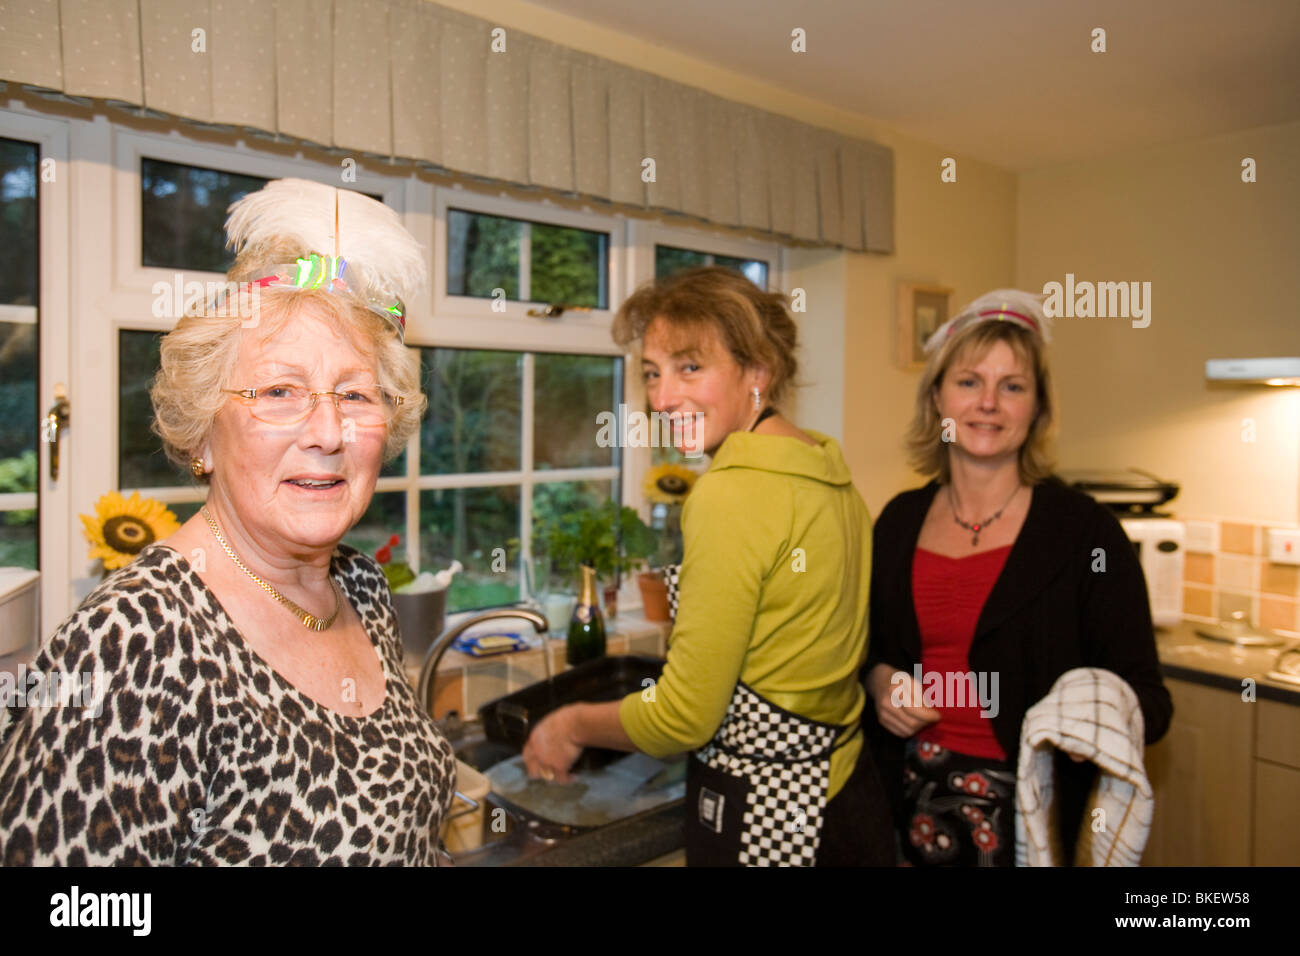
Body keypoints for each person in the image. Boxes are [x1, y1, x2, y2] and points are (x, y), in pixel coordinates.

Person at [0, 179, 457, 865]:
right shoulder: (136, 645)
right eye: (279, 392)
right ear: (202, 437)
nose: (328, 432)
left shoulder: (359, 589)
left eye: (356, 394)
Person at [522, 266, 894, 866]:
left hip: (771, 819)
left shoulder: (732, 492)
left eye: (690, 366)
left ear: (758, 373)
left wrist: (569, 726)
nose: (663, 397)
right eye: (652, 372)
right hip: (848, 798)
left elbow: (684, 717)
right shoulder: (829, 472)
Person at [862, 289, 1173, 866]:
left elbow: (1150, 702)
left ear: (1039, 410)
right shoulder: (898, 521)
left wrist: (1089, 718)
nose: (988, 404)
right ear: (936, 400)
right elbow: (867, 652)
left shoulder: (1086, 535)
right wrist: (881, 681)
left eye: (1013, 386)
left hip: (1036, 821)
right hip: (901, 805)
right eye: (968, 382)